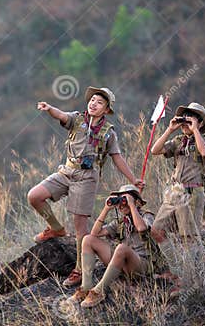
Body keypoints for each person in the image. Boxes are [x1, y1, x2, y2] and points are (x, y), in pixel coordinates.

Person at [28, 86, 144, 288]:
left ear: (107, 109)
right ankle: (56, 228)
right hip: (67, 171)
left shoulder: (109, 133)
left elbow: (117, 158)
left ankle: (80, 270)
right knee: (34, 196)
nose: (93, 104)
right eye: (92, 100)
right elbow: (61, 115)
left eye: (100, 102)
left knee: (80, 227)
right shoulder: (77, 119)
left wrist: (133, 179)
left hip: (87, 178)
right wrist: (49, 108)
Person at [149, 102, 205, 296]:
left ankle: (187, 280)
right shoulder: (178, 140)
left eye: (191, 118)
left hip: (193, 194)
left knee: (188, 239)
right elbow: (155, 150)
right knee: (156, 230)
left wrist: (195, 131)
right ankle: (176, 270)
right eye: (184, 117)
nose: (185, 122)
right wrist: (170, 129)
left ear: (200, 123)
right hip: (174, 193)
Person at [68, 184, 155, 308]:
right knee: (87, 239)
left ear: (138, 202)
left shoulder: (147, 216)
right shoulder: (120, 222)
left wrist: (131, 205)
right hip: (123, 265)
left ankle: (99, 291)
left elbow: (141, 228)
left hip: (141, 265)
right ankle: (86, 287)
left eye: (124, 200)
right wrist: (106, 209)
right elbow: (95, 233)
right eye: (120, 201)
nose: (122, 204)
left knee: (121, 248)